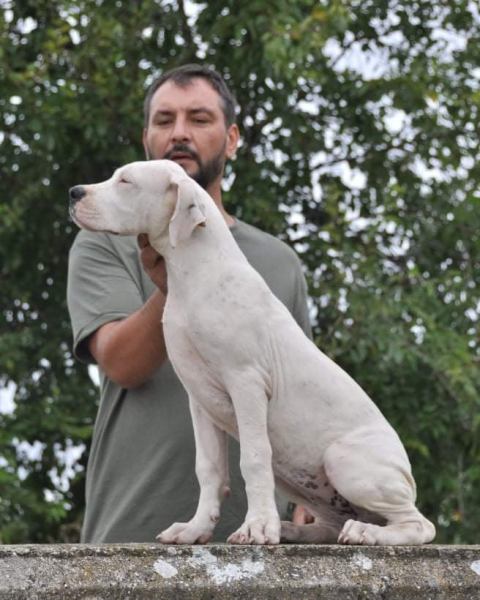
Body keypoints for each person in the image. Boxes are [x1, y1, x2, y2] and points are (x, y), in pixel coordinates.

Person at [67, 64, 312, 543]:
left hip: (261, 542)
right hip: (133, 531)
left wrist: (309, 495)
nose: (179, 132)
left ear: (232, 139)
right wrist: (172, 284)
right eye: (164, 120)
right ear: (146, 142)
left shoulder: (278, 262)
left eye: (199, 119)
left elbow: (298, 391)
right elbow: (121, 364)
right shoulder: (104, 244)